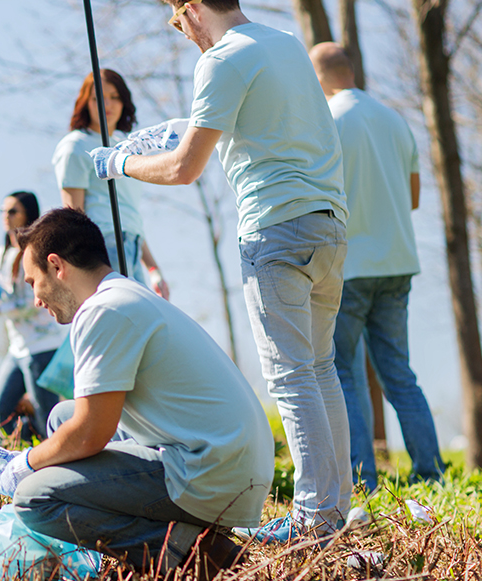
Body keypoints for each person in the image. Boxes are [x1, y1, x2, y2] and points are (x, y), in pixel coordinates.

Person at [91, 0, 351, 543]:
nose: (183, 34)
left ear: (190, 9)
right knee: (320, 369)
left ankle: (313, 521)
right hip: (327, 225)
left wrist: (120, 163)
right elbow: (269, 122)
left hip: (275, 229)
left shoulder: (221, 60)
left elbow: (185, 168)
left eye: (178, 22)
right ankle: (332, 511)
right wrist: (186, 126)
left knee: (291, 375)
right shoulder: (284, 43)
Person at [0, 208, 273, 578]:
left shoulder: (104, 311)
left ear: (57, 266)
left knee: (35, 498)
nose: (36, 300)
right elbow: (81, 423)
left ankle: (192, 550)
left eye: (33, 282)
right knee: (60, 417)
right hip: (228, 461)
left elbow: (89, 434)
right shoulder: (125, 296)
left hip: (212, 475)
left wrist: (27, 463)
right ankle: (174, 537)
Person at [309, 42, 444, 493]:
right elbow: (413, 198)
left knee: (342, 369)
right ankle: (431, 472)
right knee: (399, 372)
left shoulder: (327, 121)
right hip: (399, 263)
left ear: (321, 77)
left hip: (351, 265)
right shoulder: (395, 120)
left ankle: (363, 479)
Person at [53, 69, 169, 298]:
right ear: (86, 102)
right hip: (103, 246)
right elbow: (73, 216)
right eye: (97, 98)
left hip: (131, 246)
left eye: (115, 97)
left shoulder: (125, 149)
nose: (107, 104)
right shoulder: (76, 146)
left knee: (142, 323)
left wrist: (153, 268)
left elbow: (129, 216)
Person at [0, 191, 66, 441]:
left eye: (12, 211)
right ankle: (34, 451)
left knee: (48, 415)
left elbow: (34, 300)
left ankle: (59, 460)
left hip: (42, 345)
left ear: (27, 215)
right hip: (17, 348)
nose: (6, 217)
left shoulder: (38, 251)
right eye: (3, 211)